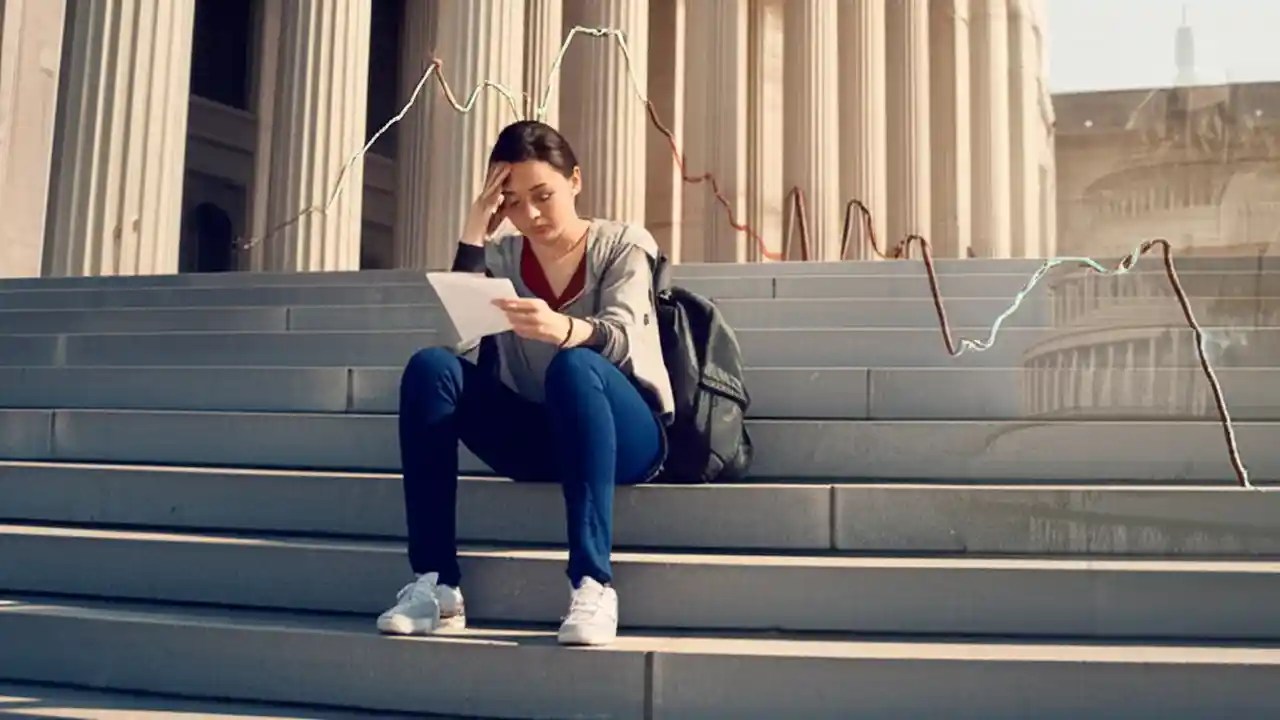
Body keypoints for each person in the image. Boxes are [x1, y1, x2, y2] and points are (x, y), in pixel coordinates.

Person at [378, 120, 674, 647]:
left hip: (624, 434)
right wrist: (473, 237)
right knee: (429, 368)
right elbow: (453, 345)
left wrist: (565, 329)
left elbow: (628, 337)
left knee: (574, 365)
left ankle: (592, 583)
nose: (530, 215)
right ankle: (435, 584)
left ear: (575, 181)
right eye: (512, 202)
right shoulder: (502, 258)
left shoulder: (623, 243)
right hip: (535, 438)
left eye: (543, 196)